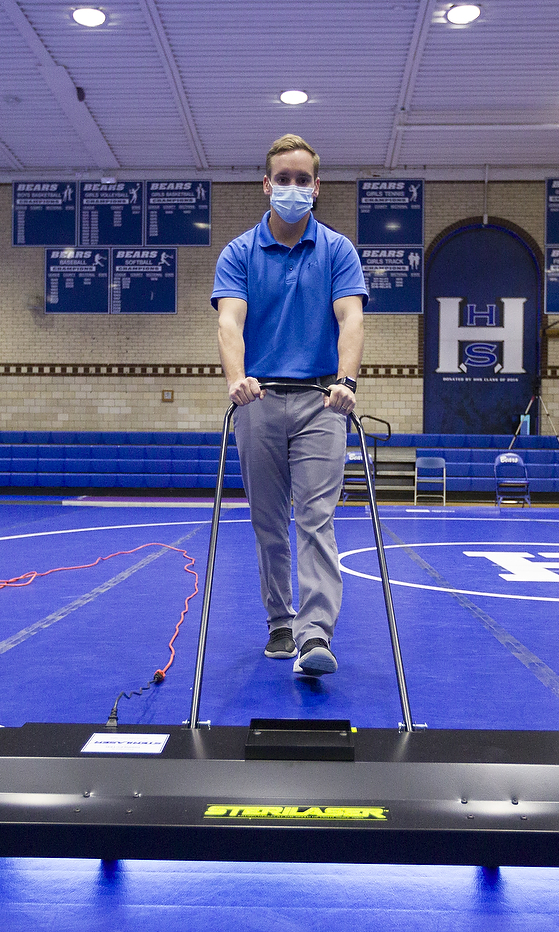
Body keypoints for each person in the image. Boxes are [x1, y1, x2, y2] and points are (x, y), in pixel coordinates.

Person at [212, 133, 367, 677]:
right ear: (267, 184)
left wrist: (348, 380)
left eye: (304, 180)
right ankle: (280, 621)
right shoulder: (238, 252)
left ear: (317, 187)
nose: (294, 188)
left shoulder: (337, 251)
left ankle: (315, 634)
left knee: (317, 519)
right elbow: (229, 319)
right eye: (285, 179)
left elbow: (350, 316)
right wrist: (236, 379)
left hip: (322, 403)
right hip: (257, 400)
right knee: (269, 523)